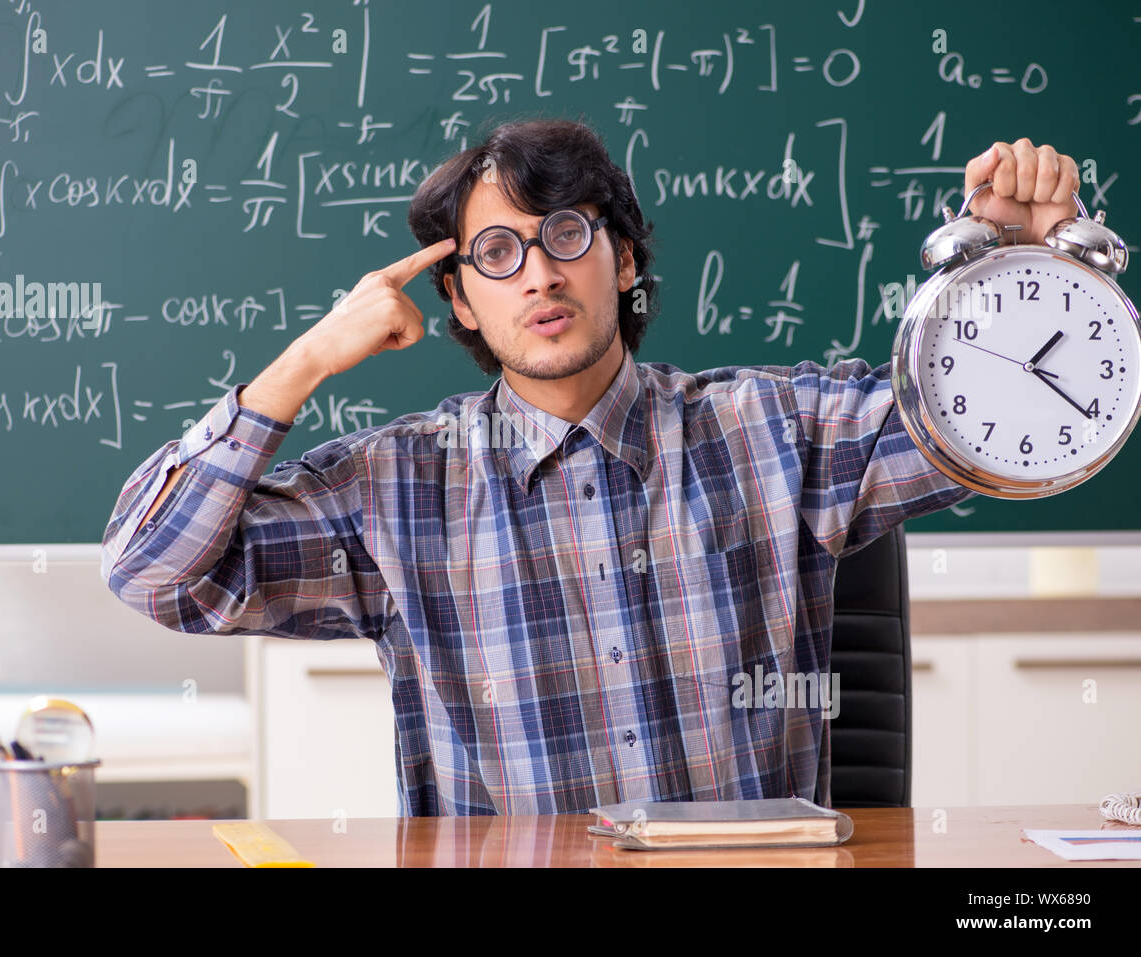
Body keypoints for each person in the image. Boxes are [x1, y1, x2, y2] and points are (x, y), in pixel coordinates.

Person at [99, 119, 1080, 816]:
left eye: (566, 233)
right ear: (460, 301)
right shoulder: (393, 491)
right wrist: (305, 361)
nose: (539, 272)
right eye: (496, 252)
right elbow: (152, 571)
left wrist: (1020, 266)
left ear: (624, 260)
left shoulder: (776, 430)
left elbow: (1010, 424)